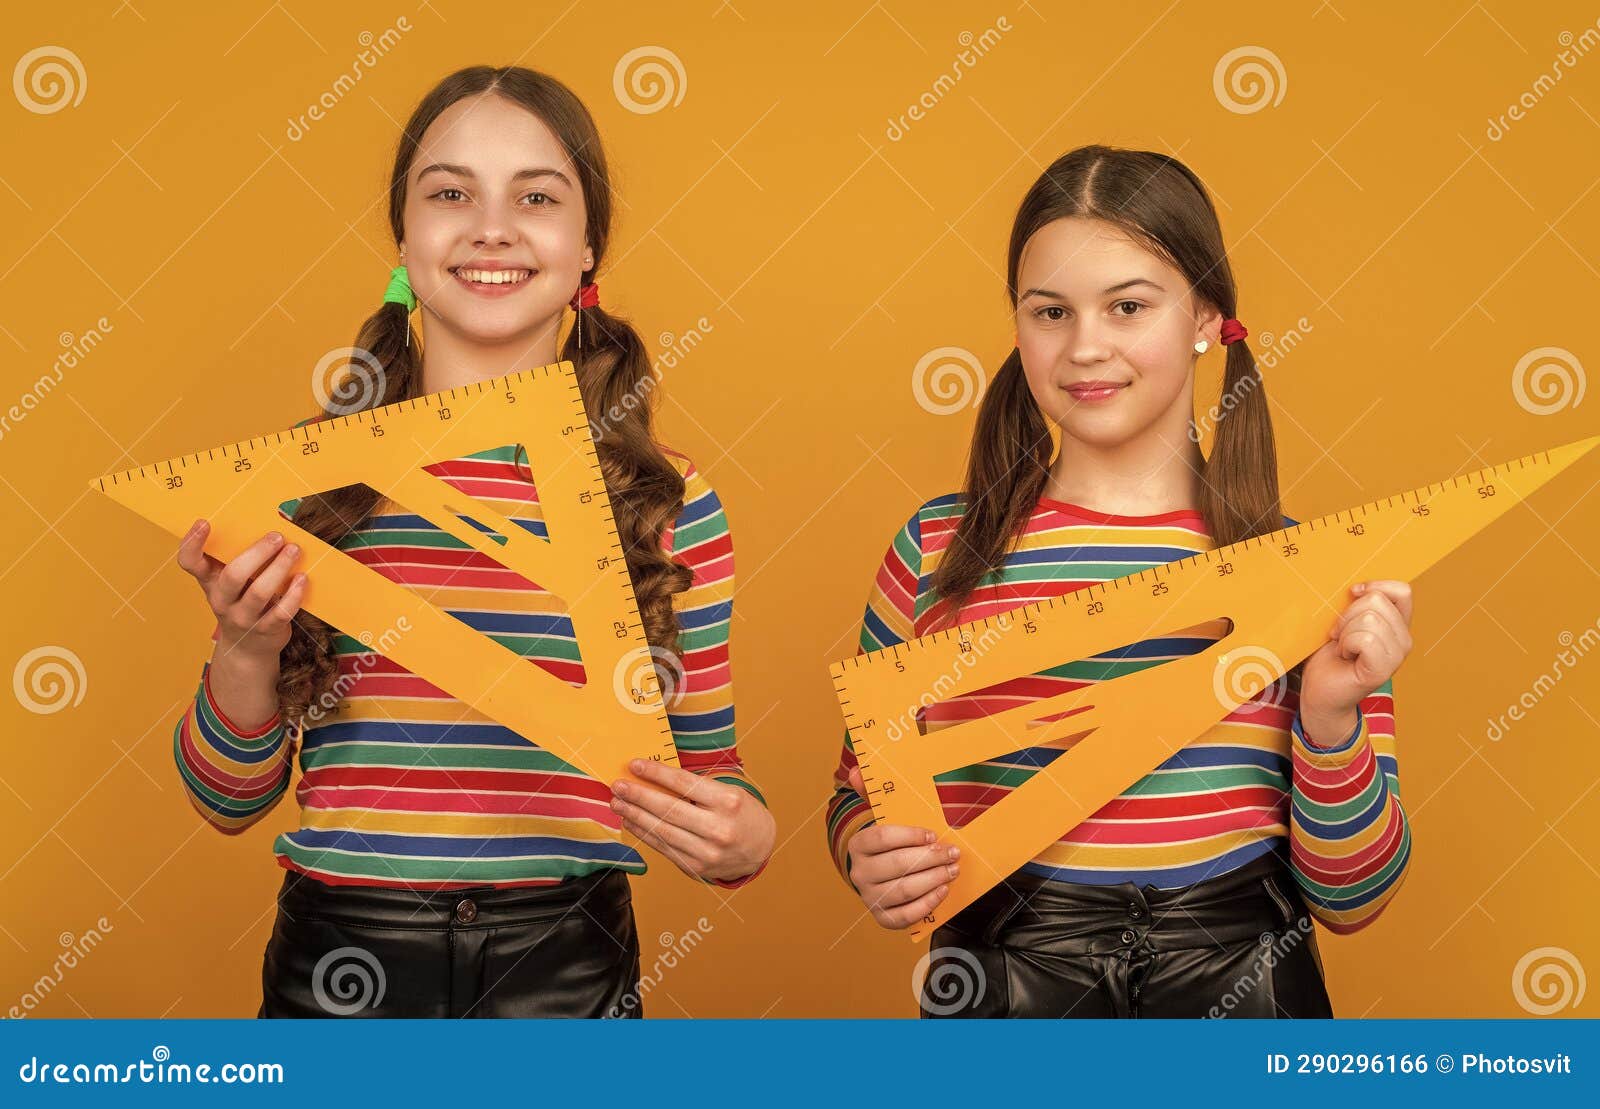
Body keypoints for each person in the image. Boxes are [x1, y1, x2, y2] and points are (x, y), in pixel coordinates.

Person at [173, 65, 774, 1018]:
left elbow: (713, 778)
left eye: (537, 197)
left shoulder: (668, 500)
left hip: (569, 971)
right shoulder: (308, 485)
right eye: (450, 194)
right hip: (339, 974)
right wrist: (245, 645)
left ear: (587, 250)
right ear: (404, 242)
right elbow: (226, 801)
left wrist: (744, 840)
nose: (491, 227)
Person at [825, 145, 1413, 1018]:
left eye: (1128, 305)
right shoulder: (935, 550)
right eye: (1050, 310)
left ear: (1208, 317)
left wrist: (1329, 717)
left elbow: (1354, 899)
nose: (1085, 347)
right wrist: (867, 853)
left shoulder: (1305, 575)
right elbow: (857, 792)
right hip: (1005, 990)